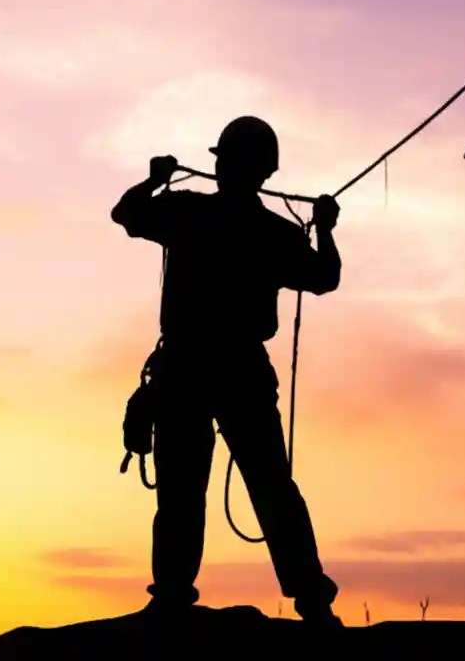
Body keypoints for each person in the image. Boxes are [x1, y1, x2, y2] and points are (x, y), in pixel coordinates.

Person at [110, 115, 343, 626]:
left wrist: (156, 179)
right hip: (232, 370)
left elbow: (127, 213)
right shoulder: (270, 232)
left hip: (191, 369)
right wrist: (325, 228)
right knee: (266, 486)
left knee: (188, 489)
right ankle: (310, 599)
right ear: (267, 171)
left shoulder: (187, 212)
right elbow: (326, 277)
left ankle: (173, 594)